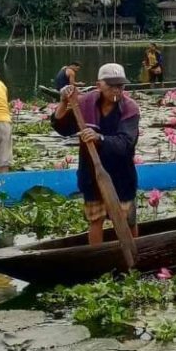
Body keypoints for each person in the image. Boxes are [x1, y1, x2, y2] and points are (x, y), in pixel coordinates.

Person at [52, 62, 140, 246]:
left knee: (126, 219)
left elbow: (126, 144)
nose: (117, 90)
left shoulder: (129, 108)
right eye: (112, 86)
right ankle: (97, 256)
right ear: (99, 85)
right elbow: (63, 128)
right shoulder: (85, 103)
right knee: (95, 219)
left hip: (121, 174)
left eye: (120, 86)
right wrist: (64, 102)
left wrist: (100, 138)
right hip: (91, 172)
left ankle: (135, 254)